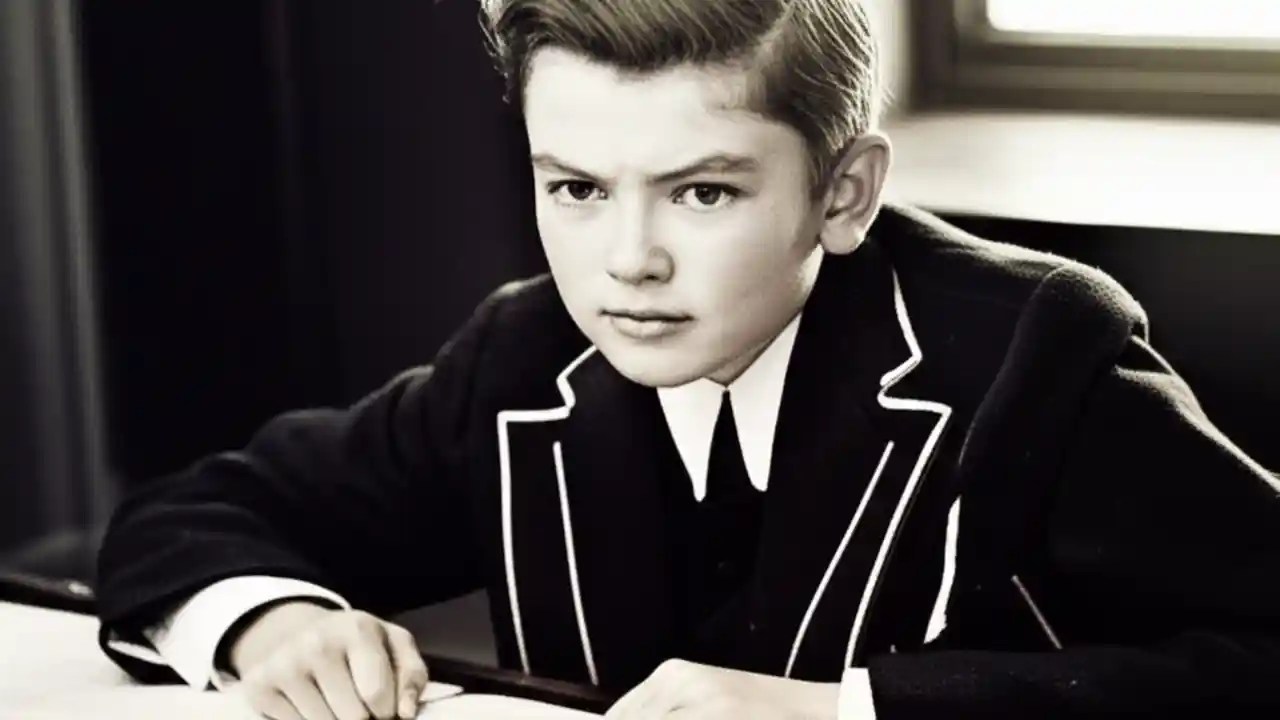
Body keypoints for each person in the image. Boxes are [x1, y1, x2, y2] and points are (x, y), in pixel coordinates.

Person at [95, 1, 1280, 718]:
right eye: (574, 188)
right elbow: (187, 518)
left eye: (701, 191)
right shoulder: (524, 351)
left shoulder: (1035, 351)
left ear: (844, 191)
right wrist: (274, 621)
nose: (626, 261)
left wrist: (849, 711)